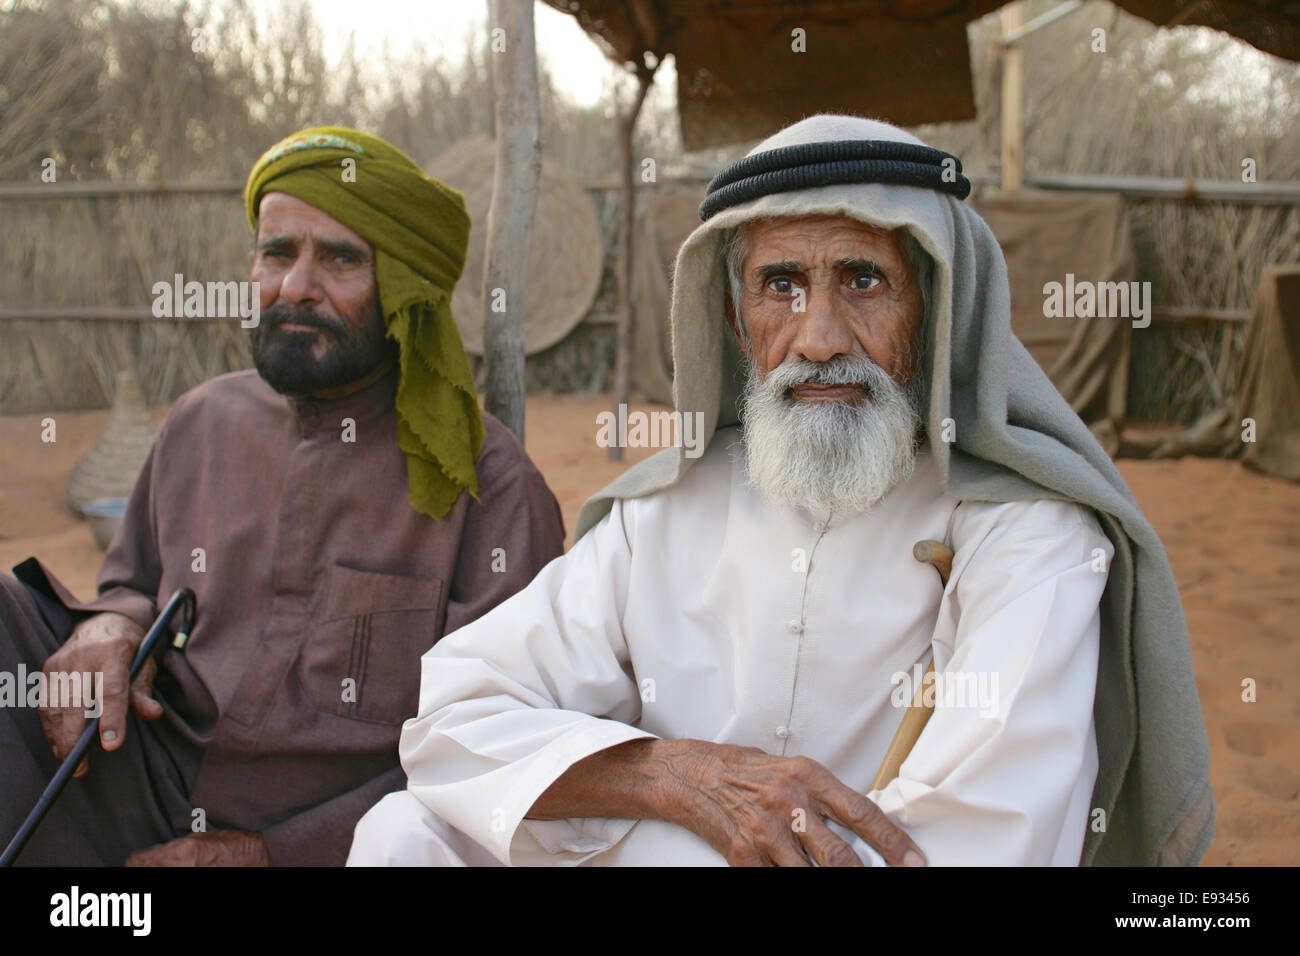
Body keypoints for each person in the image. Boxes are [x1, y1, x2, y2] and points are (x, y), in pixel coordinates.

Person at [348, 115, 1214, 867]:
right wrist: (669, 775)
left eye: (863, 279)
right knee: (403, 833)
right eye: (781, 285)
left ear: (936, 307)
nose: (820, 337)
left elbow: (973, 844)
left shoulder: (1028, 536)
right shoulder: (661, 516)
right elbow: (455, 716)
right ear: (736, 318)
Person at [0, 127, 566, 866]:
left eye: (339, 259)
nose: (295, 287)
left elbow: (495, 748)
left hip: (328, 841)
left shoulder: (488, 488)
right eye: (277, 253)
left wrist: (264, 854)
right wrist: (106, 632)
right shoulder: (202, 420)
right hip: (133, 773)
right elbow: (131, 585)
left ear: (402, 288)